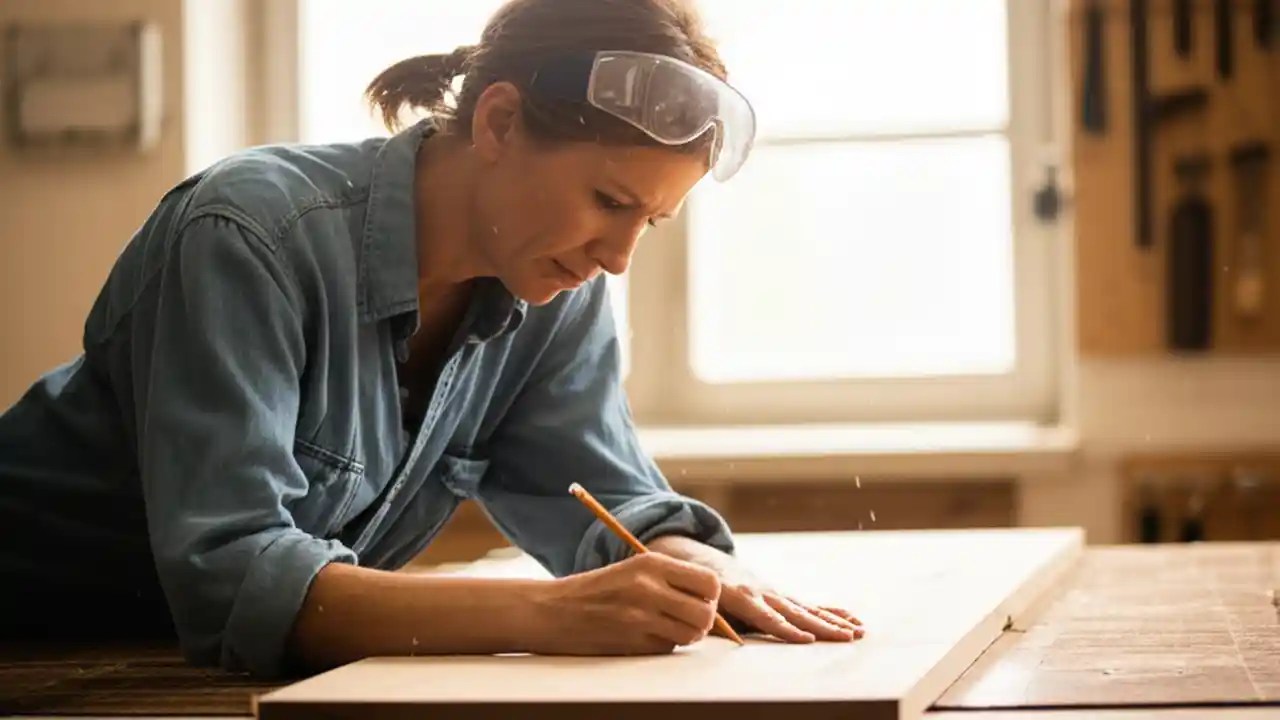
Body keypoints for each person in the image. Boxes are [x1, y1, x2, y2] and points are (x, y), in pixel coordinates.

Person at [0, 0, 861, 678]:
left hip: (186, 672)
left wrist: (692, 573)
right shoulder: (249, 233)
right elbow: (232, 575)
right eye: (609, 201)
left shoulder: (554, 278)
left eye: (655, 221)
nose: (620, 256)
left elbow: (606, 496)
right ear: (497, 123)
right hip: (40, 655)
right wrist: (552, 616)